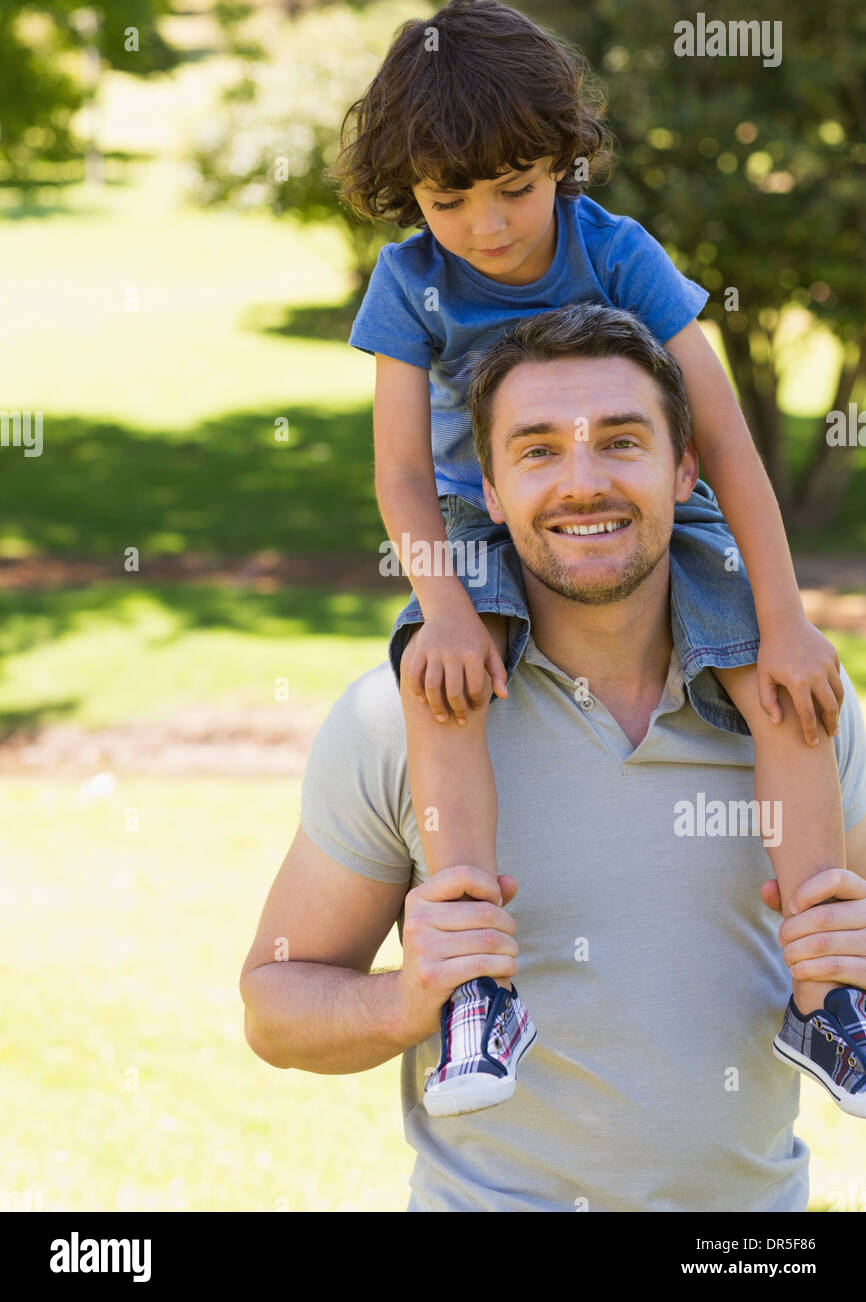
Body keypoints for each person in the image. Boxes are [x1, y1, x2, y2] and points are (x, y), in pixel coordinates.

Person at [326, 0, 851, 1117]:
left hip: (637, 504)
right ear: (410, 195)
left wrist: (788, 611)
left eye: (514, 187)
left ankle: (828, 994)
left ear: (562, 158)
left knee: (784, 685)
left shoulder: (612, 248)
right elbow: (403, 478)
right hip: (474, 519)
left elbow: (720, 440)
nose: (487, 225)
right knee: (436, 683)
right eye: (446, 198)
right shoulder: (407, 281)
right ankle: (477, 988)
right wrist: (449, 610)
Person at [240, 304, 866, 1212]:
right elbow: (274, 1006)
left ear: (684, 468)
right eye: (537, 450)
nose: (583, 484)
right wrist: (408, 1000)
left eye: (621, 442)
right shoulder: (403, 717)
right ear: (489, 490)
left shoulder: (797, 706)